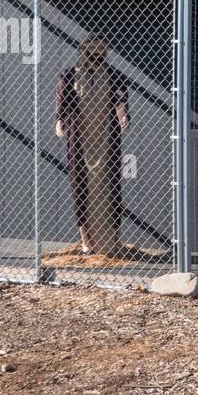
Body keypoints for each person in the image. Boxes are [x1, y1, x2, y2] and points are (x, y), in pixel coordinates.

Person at [54, 35, 130, 255]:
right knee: (80, 184)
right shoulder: (68, 75)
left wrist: (123, 115)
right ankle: (86, 240)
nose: (96, 56)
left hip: (107, 139)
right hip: (80, 138)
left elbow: (120, 99)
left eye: (100, 52)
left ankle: (114, 241)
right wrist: (59, 119)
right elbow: (63, 100)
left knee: (111, 184)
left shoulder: (115, 76)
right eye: (91, 51)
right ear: (83, 52)